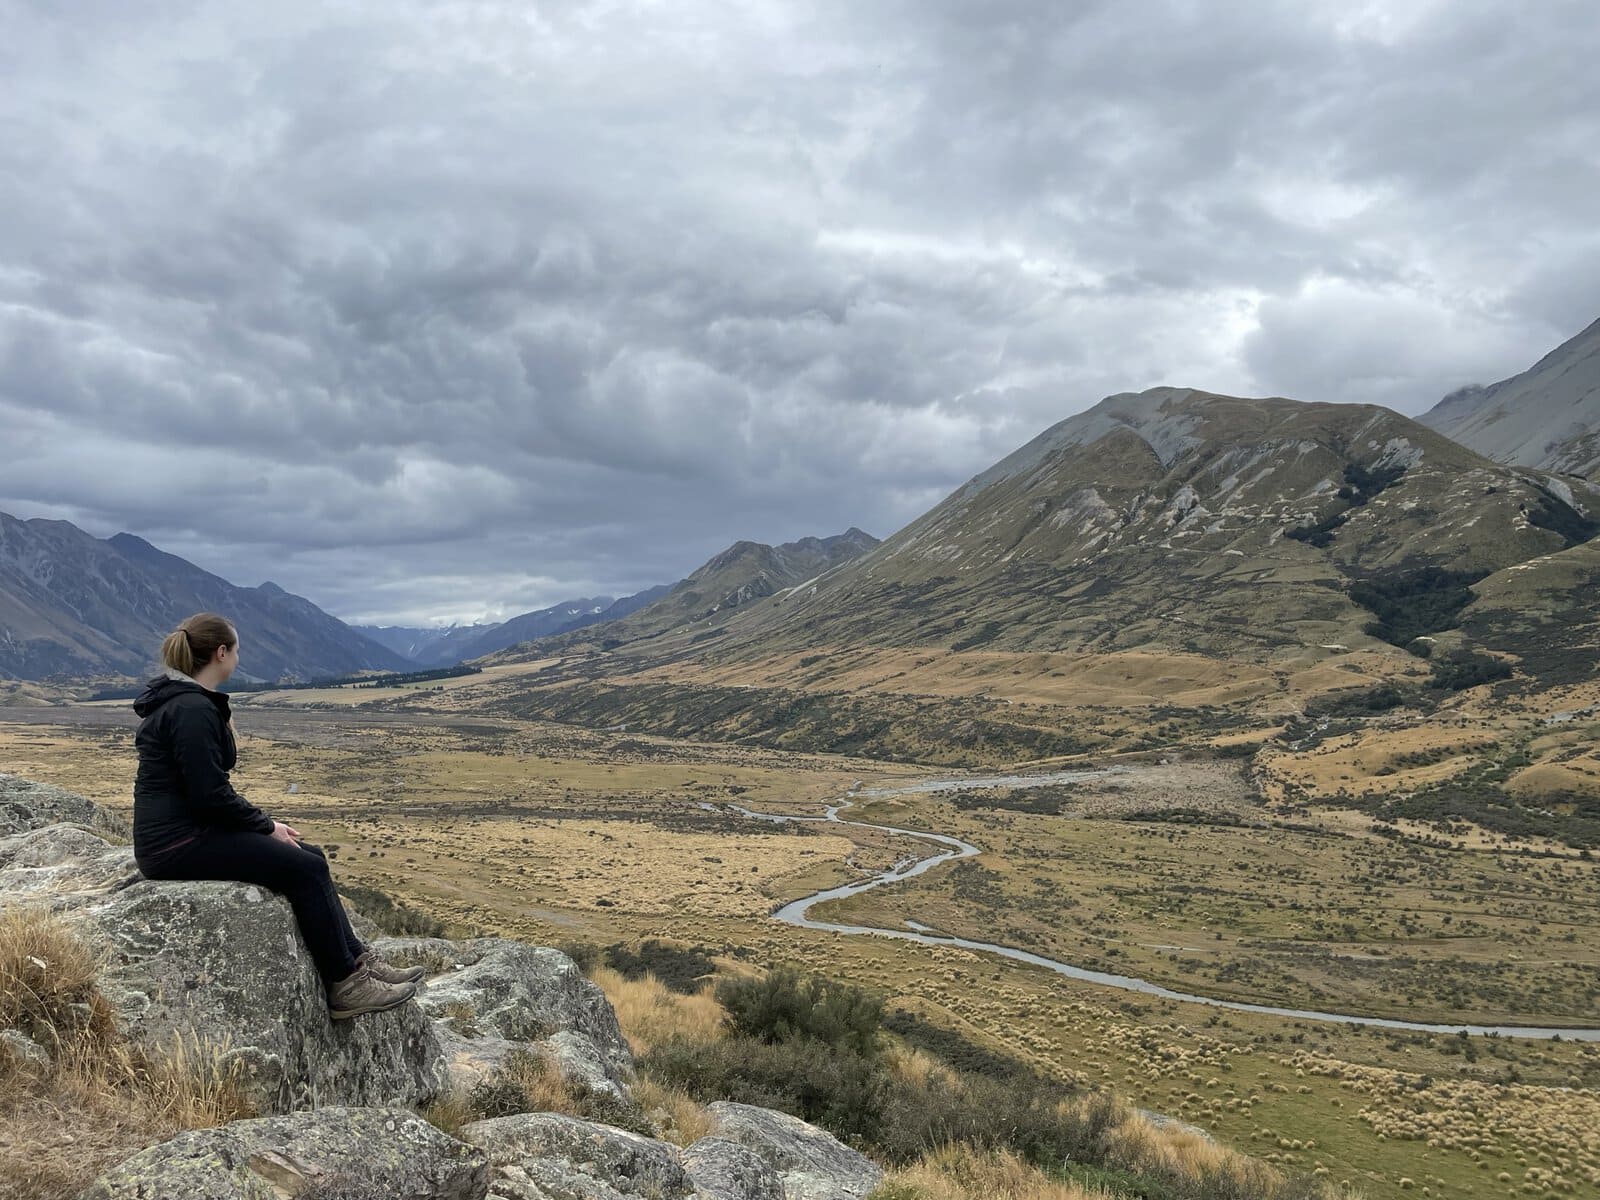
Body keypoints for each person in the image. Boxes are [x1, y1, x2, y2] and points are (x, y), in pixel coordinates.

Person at [131, 612, 423, 1019]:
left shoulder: (185, 702)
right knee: (304, 871)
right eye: (236, 649)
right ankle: (345, 986)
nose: (238, 656)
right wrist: (265, 826)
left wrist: (267, 828)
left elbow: (205, 793)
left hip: (184, 835)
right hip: (177, 845)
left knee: (312, 856)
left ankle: (358, 962)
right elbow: (209, 795)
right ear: (220, 653)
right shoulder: (192, 710)